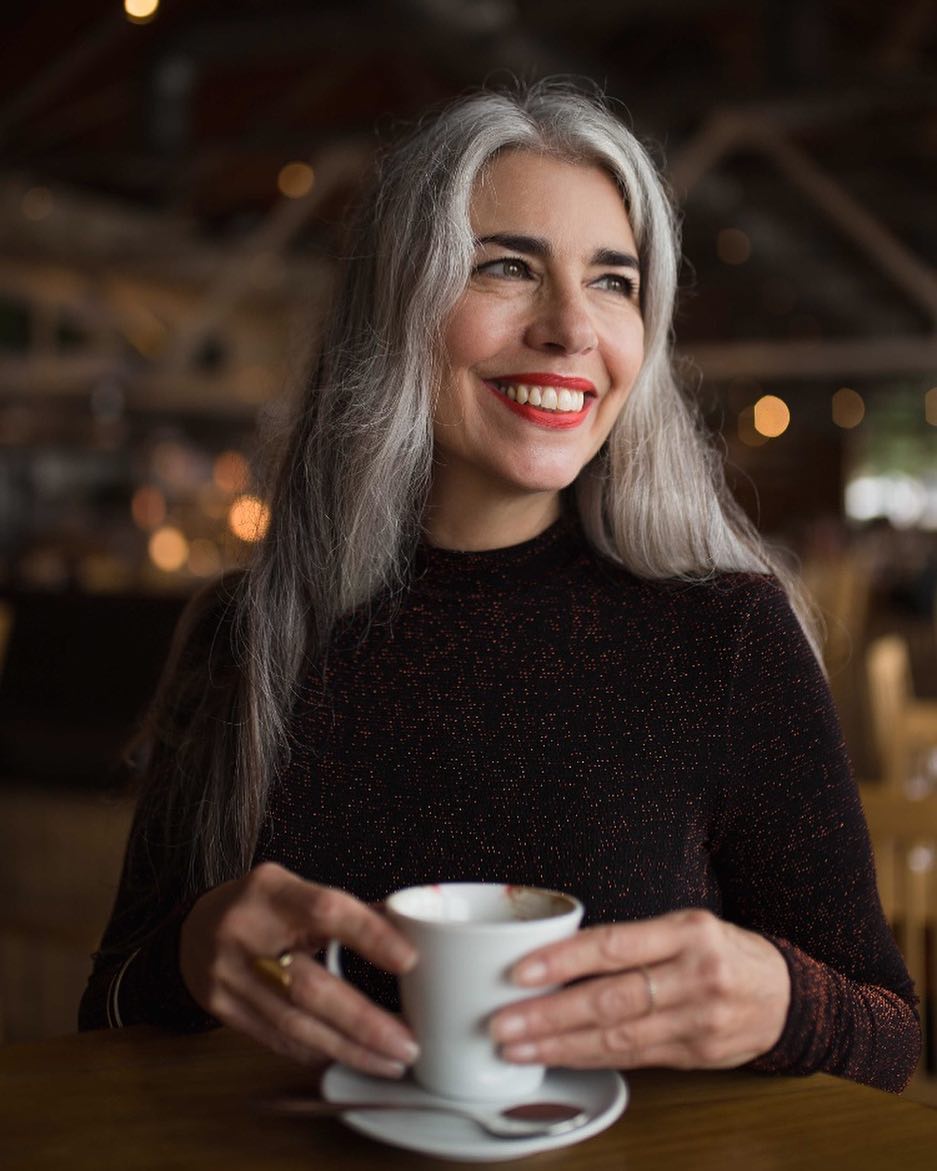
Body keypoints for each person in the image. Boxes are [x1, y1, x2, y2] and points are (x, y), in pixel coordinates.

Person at [80, 81, 920, 1093]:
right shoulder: (248, 634)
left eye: (613, 281)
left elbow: (890, 1035)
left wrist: (783, 998)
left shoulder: (725, 636)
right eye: (507, 267)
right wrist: (190, 948)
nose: (571, 327)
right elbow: (107, 1009)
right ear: (397, 306)